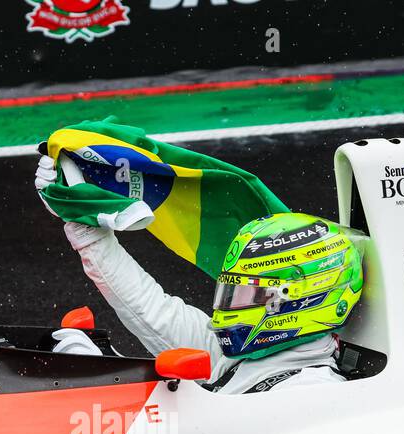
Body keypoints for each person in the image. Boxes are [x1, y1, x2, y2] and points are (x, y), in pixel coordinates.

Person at [36, 154, 366, 393]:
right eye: (232, 293)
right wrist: (85, 225)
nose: (230, 310)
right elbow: (151, 309)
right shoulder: (239, 353)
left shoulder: (316, 392)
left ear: (303, 299)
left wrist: (99, 385)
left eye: (251, 295)